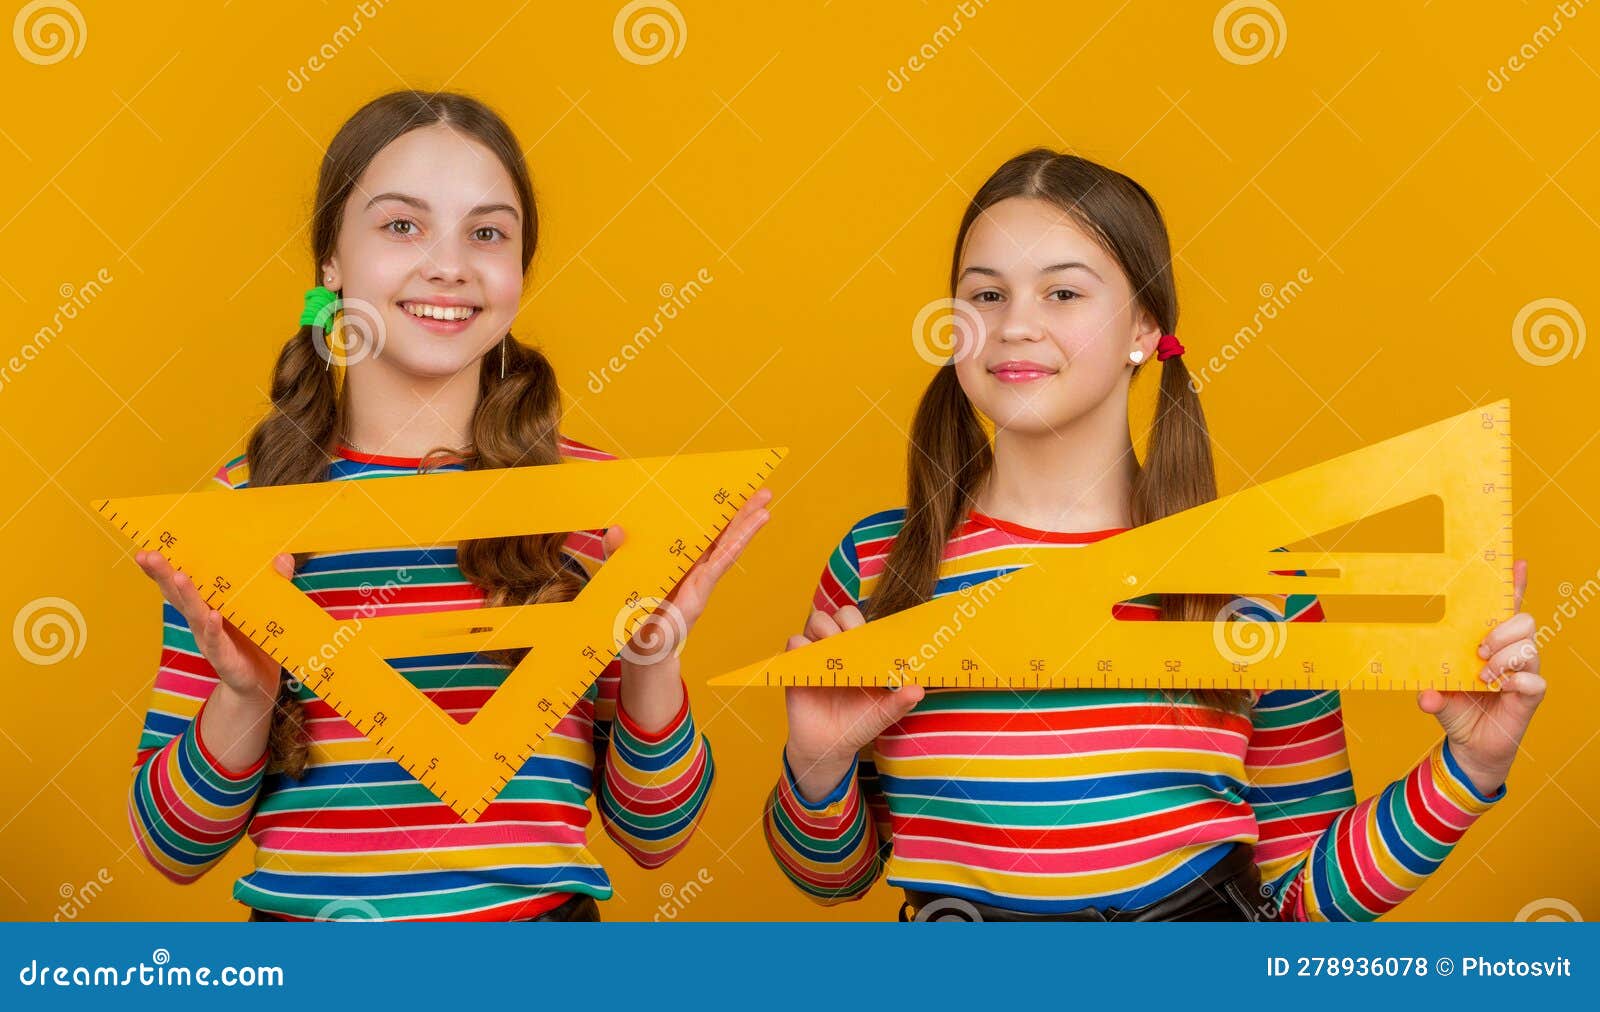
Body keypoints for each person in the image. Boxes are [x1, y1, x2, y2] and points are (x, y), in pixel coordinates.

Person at [763, 148, 1543, 922]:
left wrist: (1469, 766)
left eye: (1063, 291)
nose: (1017, 325)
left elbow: (1300, 903)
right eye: (987, 294)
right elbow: (829, 878)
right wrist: (816, 767)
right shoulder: (879, 563)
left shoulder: (1253, 584)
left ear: (1144, 326)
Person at [127, 90, 770, 921]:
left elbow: (657, 833)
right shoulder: (242, 509)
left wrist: (652, 661)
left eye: (488, 232)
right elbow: (174, 848)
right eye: (402, 226)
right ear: (331, 260)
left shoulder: (596, 503)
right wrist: (246, 699)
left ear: (520, 272)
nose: (449, 264)